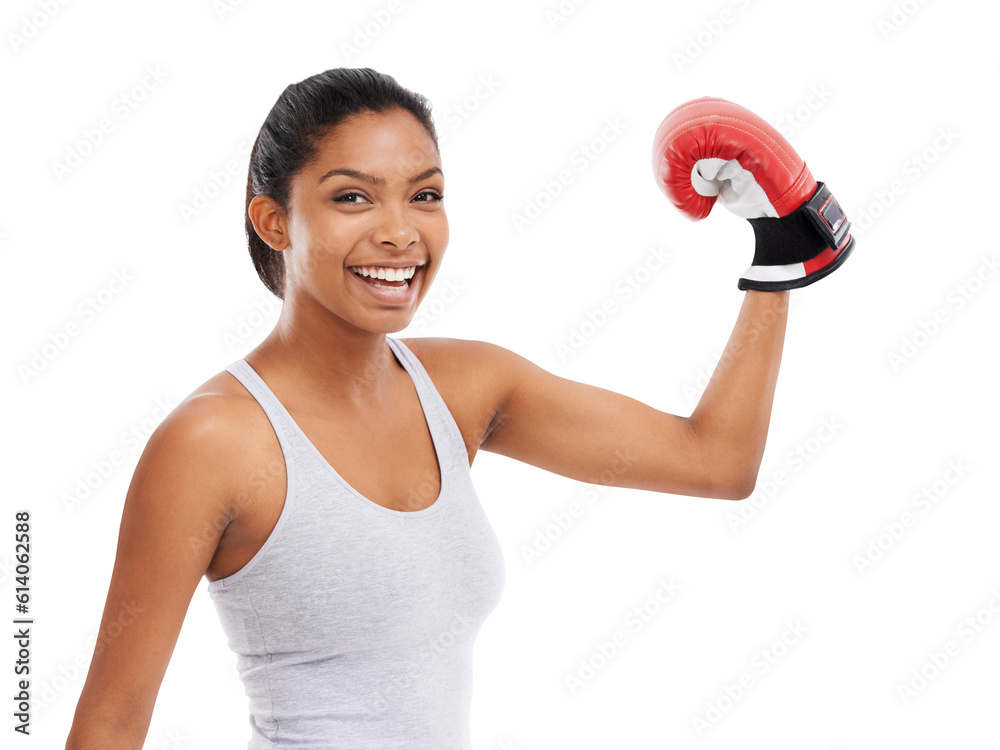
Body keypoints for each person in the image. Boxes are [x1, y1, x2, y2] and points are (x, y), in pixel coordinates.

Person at [64, 69, 852, 749]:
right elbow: (110, 726)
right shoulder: (214, 440)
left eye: (425, 195)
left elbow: (716, 463)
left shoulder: (466, 388)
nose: (400, 233)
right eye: (352, 198)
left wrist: (776, 258)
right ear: (274, 220)